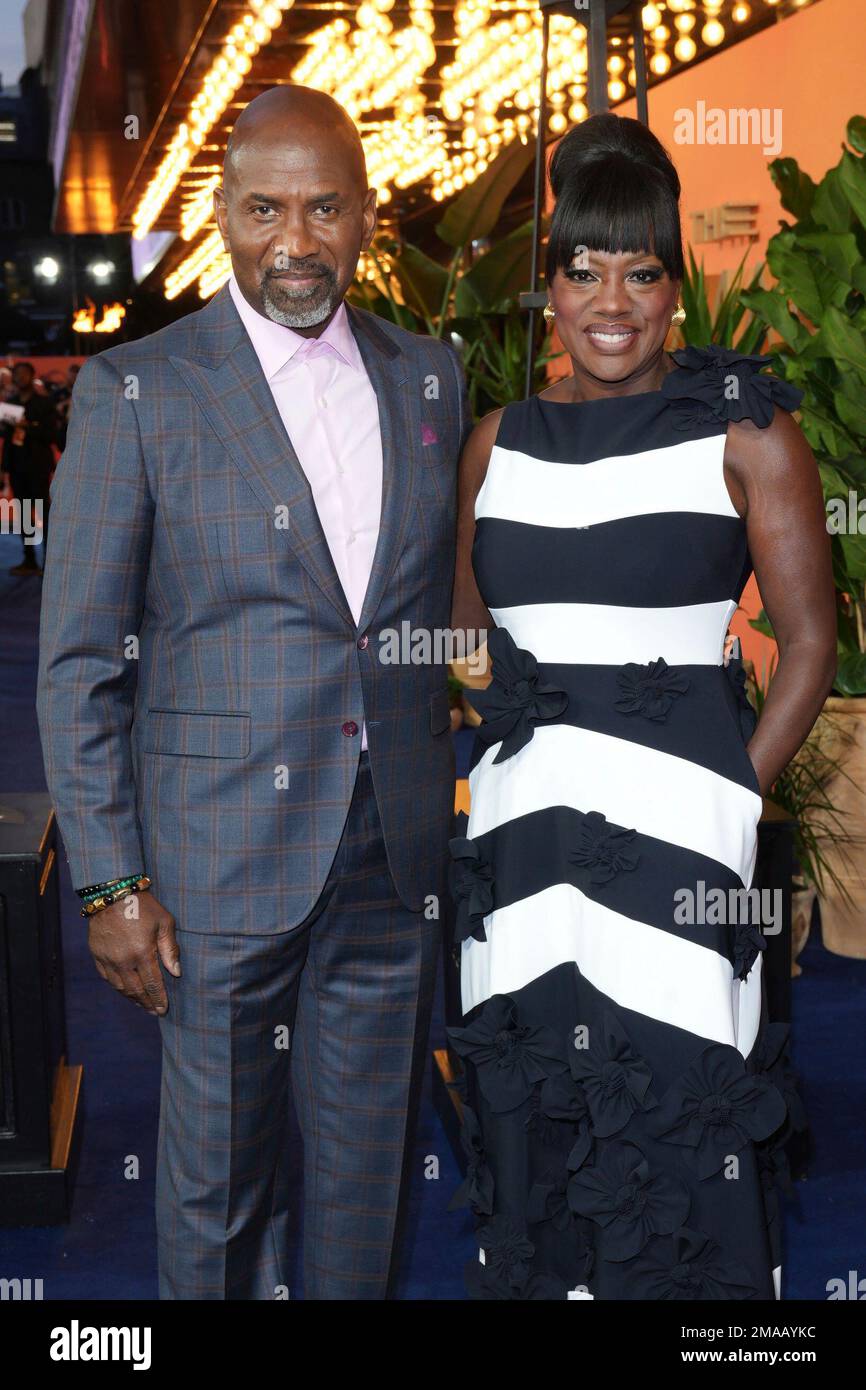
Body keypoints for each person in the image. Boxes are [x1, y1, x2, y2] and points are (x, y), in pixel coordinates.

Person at [37, 84, 470, 1300]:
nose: (296, 238)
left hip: (390, 856)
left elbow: (436, 607)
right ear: (220, 213)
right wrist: (114, 880)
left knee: (363, 1187)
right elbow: (77, 661)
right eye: (266, 207)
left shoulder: (427, 377)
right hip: (215, 867)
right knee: (216, 1192)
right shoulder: (139, 390)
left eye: (324, 207)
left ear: (366, 218)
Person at [448, 113, 836, 1301]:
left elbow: (812, 641)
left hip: (678, 851)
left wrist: (721, 793)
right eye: (582, 269)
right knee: (536, 1132)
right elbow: (464, 638)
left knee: (679, 1128)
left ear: (674, 287)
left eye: (639, 270)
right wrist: (496, 726)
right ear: (548, 287)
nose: (609, 298)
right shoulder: (492, 442)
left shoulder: (743, 429)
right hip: (520, 845)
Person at [1, 360, 55, 574]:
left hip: (38, 466)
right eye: (16, 374)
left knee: (44, 513)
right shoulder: (11, 403)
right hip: (17, 466)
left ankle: (50, 562)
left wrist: (27, 427)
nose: (19, 377)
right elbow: (7, 437)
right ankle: (29, 560)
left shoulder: (44, 403)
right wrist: (4, 468)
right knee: (23, 514)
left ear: (32, 376)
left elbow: (51, 434)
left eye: (24, 374)